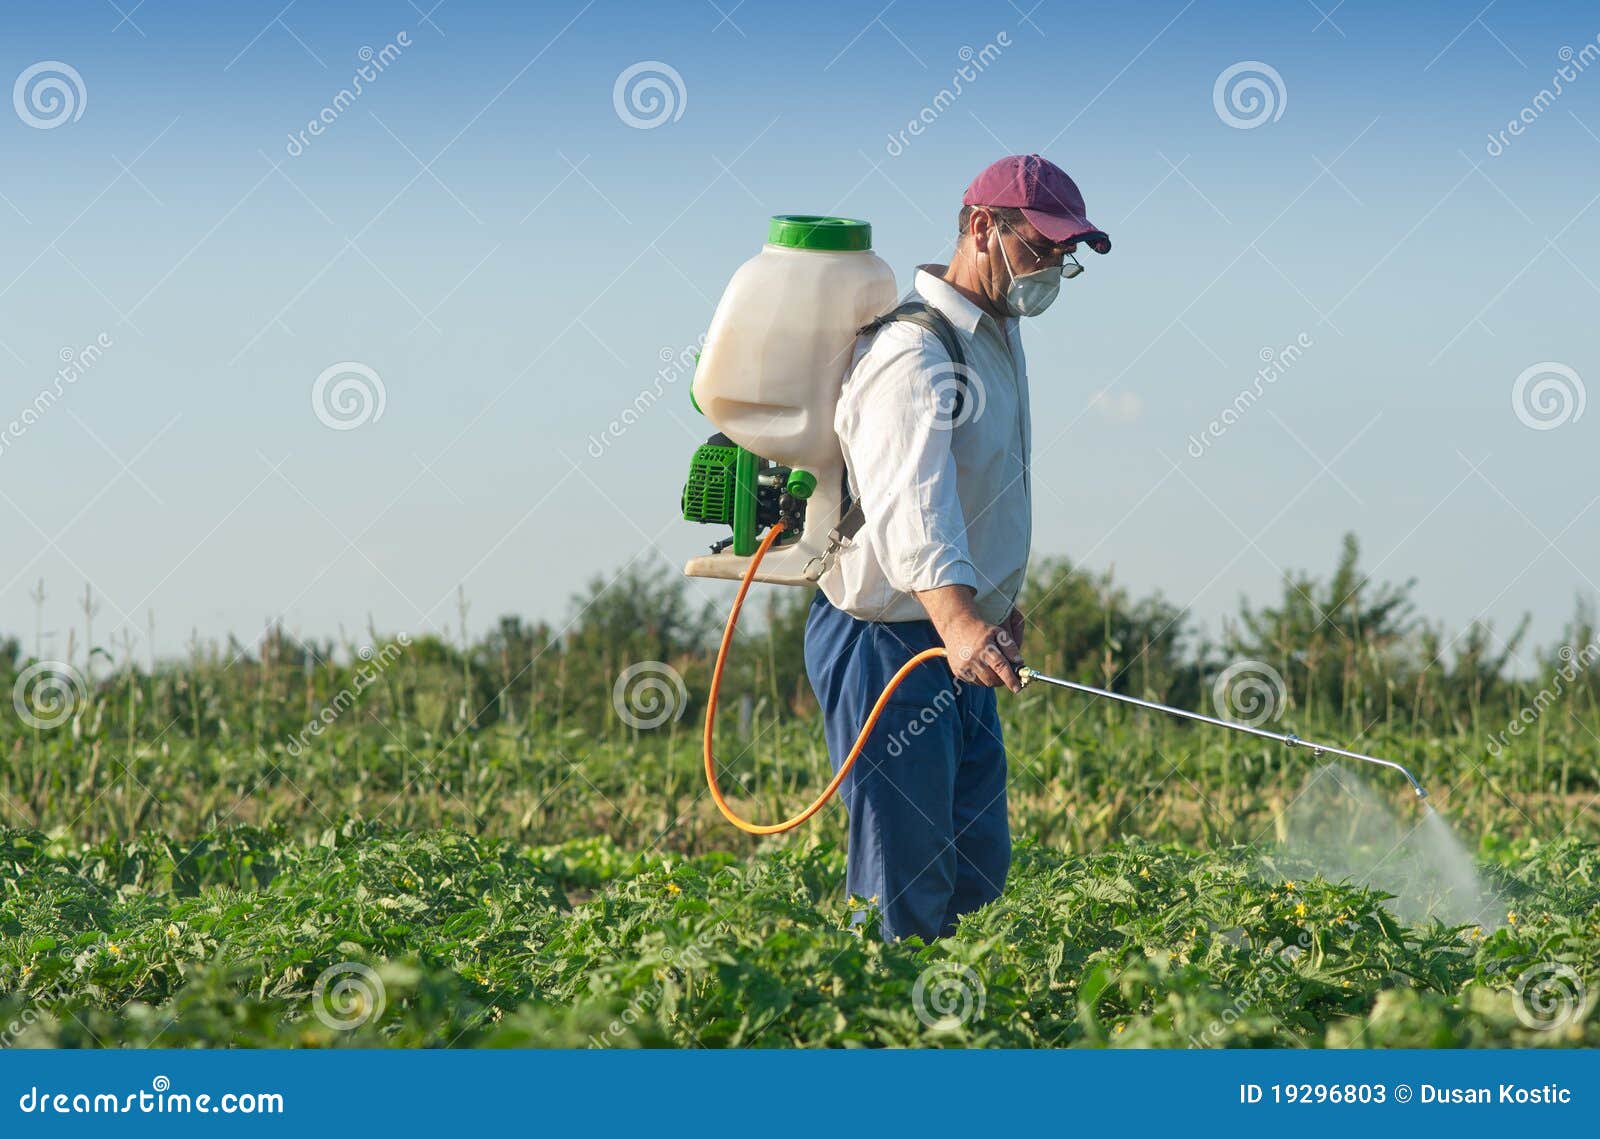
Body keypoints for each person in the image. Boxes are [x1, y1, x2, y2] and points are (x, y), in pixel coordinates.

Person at [804, 154, 1110, 942]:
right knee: (905, 886)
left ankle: (964, 1038)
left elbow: (987, 490)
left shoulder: (996, 337)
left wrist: (997, 608)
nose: (1052, 268)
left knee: (976, 871)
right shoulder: (913, 350)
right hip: (890, 644)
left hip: (953, 636)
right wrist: (960, 618)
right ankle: (881, 1041)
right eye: (1041, 247)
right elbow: (916, 506)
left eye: (1063, 257)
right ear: (982, 228)